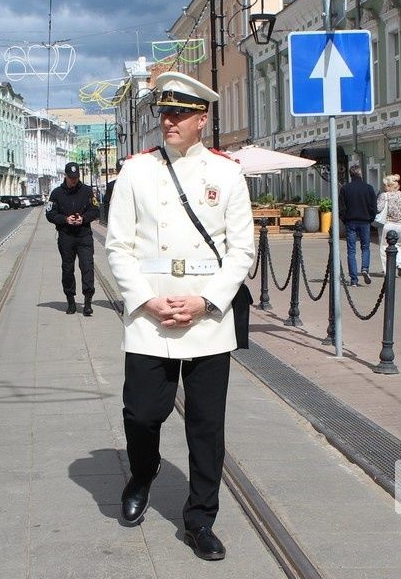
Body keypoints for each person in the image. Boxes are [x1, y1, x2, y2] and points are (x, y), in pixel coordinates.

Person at [105, 71, 254, 561]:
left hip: (208, 318)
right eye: (162, 112)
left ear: (202, 120)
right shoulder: (135, 172)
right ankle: (143, 473)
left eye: (178, 113)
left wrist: (207, 301)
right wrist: (145, 299)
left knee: (207, 426)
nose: (167, 121)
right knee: (142, 414)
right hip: (150, 316)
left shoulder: (227, 173)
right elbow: (118, 246)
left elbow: (241, 251)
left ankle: (199, 519)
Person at [45, 161, 100, 315]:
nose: (74, 180)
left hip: (84, 235)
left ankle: (88, 301)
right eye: (71, 177)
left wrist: (83, 218)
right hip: (66, 236)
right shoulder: (56, 193)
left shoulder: (87, 191)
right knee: (68, 269)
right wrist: (65, 219)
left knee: (87, 267)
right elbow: (50, 214)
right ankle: (70, 300)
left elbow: (95, 210)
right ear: (65, 176)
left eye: (76, 177)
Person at [338, 164, 377, 286]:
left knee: (351, 250)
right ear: (361, 174)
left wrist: (344, 219)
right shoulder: (369, 188)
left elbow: (341, 208)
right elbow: (373, 207)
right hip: (365, 222)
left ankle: (354, 279)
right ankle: (365, 268)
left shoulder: (345, 189)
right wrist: (370, 219)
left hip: (350, 222)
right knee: (365, 247)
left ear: (350, 175)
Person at [101, 157, 124, 225]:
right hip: (117, 221)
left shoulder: (134, 184)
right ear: (117, 171)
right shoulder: (111, 185)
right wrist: (109, 222)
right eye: (120, 170)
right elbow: (107, 204)